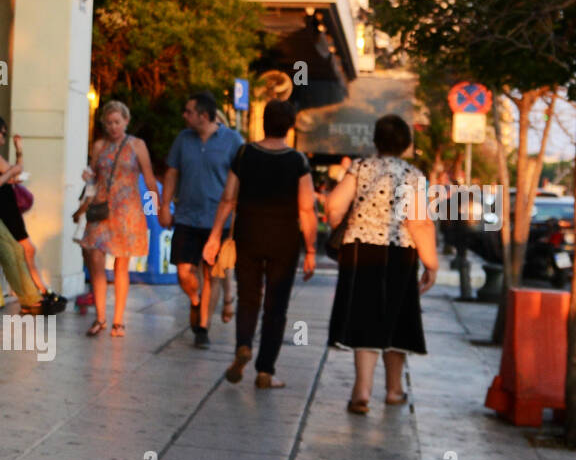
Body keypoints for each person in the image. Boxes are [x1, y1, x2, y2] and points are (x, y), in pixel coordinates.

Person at [323, 113, 438, 413]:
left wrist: (342, 222)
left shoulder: (360, 168)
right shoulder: (413, 176)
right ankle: (394, 390)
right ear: (406, 145)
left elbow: (334, 205)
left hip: (360, 251)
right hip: (400, 253)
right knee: (397, 317)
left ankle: (361, 390)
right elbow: (420, 223)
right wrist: (431, 264)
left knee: (364, 316)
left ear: (375, 140)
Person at [203, 99, 317, 389]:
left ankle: (243, 345)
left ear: (264, 122)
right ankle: (265, 371)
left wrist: (215, 235)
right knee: (275, 306)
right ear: (290, 126)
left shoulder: (244, 153)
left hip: (249, 233)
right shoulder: (297, 161)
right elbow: (306, 209)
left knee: (249, 297)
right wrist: (312, 250)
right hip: (284, 240)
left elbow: (228, 197)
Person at [160, 92, 243, 347]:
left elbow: (240, 179)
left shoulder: (232, 140)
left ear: (203, 116)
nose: (184, 115)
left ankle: (203, 328)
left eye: (188, 111)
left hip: (218, 220)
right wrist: (164, 204)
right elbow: (172, 172)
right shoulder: (183, 140)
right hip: (186, 216)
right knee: (184, 272)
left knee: (212, 275)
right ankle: (195, 300)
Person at [73, 101, 158, 337]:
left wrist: (155, 211)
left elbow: (150, 180)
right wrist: (87, 179)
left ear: (126, 121)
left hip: (127, 212)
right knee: (96, 262)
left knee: (122, 266)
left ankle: (118, 321)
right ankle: (100, 317)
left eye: (117, 122)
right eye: (109, 123)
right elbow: (92, 180)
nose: (113, 127)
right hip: (101, 210)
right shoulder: (99, 146)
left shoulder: (137, 145)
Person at [0, 114, 66, 311]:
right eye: (1, 133)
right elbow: (15, 173)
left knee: (25, 250)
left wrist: (17, 157)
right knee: (24, 250)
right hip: (4, 206)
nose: (3, 137)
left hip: (7, 205)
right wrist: (18, 156)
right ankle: (37, 292)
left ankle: (38, 291)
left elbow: (16, 173)